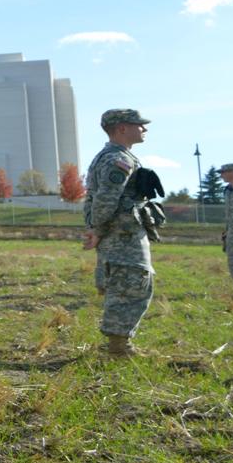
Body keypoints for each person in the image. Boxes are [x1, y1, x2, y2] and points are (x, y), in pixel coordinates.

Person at [82, 108, 155, 356]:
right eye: (139, 125)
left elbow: (96, 199)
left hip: (118, 234)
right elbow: (105, 200)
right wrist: (98, 230)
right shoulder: (117, 160)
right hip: (122, 236)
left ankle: (119, 345)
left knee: (125, 285)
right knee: (131, 286)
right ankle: (118, 348)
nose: (144, 129)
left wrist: (95, 229)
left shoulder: (115, 156)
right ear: (122, 128)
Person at [220, 163, 233, 284]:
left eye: (223, 172)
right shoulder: (227, 191)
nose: (221, 175)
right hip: (232, 234)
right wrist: (227, 231)